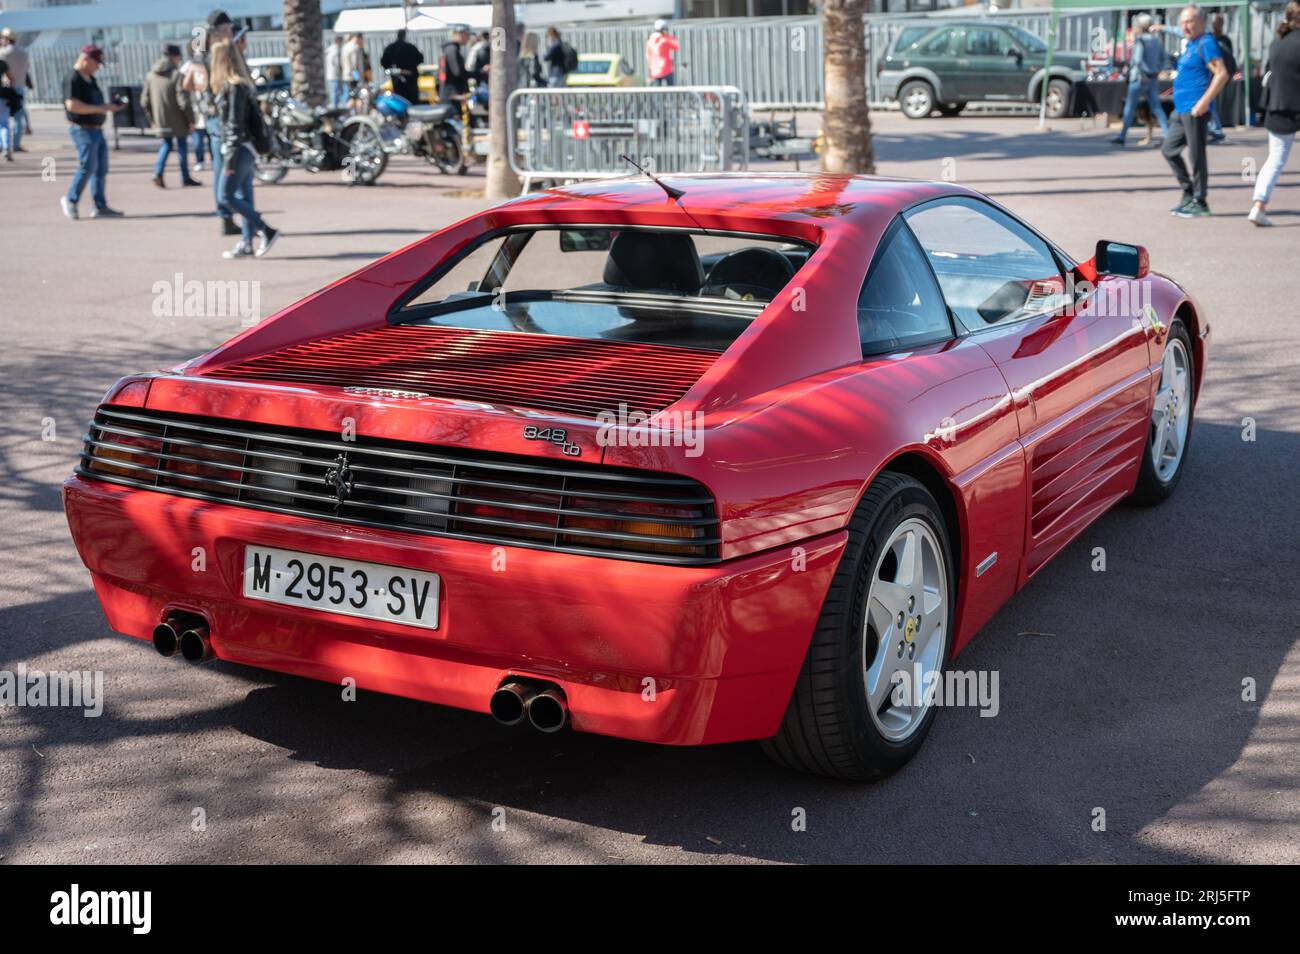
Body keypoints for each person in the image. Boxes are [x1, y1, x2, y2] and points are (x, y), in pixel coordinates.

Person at [211, 38, 278, 259]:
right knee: (243, 196)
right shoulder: (241, 85)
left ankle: (265, 229)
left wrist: (229, 161)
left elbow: (234, 125)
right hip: (245, 148)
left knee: (226, 196)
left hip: (238, 149)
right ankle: (247, 243)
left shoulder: (233, 87)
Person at [1163, 6, 1229, 218]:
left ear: (1201, 21)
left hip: (1195, 110)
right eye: (1183, 22)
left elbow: (1222, 74)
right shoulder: (1191, 44)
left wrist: (1203, 103)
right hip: (1181, 110)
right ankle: (1188, 192)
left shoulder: (1206, 43)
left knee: (1196, 155)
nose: (1185, 26)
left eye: (1190, 21)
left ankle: (1200, 201)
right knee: (1169, 150)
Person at [1249, 0, 1300, 225]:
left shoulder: (1277, 42)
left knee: (1275, 159)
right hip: (1293, 105)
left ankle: (1258, 206)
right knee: (1276, 159)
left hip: (1277, 106)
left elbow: (1270, 74)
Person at [60, 45, 125, 220]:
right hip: (82, 129)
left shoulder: (90, 78)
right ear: (86, 59)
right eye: (96, 63)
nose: (97, 67)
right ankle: (71, 200)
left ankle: (100, 206)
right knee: (87, 166)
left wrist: (110, 106)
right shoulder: (73, 78)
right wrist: (101, 108)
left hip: (96, 129)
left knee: (100, 169)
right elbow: (72, 105)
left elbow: (97, 103)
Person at [194, 11, 238, 236]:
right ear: (215, 33)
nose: (230, 34)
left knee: (224, 169)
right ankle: (228, 216)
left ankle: (227, 215)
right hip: (220, 120)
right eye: (226, 30)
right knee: (227, 169)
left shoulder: (201, 56)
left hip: (216, 119)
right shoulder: (212, 56)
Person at [141, 43, 200, 188]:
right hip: (178, 119)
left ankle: (158, 173)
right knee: (181, 147)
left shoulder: (151, 76)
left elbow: (144, 101)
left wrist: (152, 119)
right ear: (175, 57)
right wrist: (191, 120)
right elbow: (183, 101)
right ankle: (185, 177)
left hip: (160, 119)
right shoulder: (177, 75)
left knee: (166, 145)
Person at [1109, 15, 1169, 145]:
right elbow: (1164, 59)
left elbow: (1137, 59)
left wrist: (1144, 72)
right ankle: (1167, 134)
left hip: (1139, 78)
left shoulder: (1141, 40)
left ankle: (1122, 136)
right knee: (1157, 108)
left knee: (1130, 107)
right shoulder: (1156, 41)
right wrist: (1155, 71)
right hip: (1152, 79)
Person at [0, 27, 32, 153]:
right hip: (20, 87)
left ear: (6, 39)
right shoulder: (24, 53)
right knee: (18, 117)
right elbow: (26, 69)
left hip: (6, 89)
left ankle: (3, 144)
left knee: (3, 119)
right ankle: (16, 144)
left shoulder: (3, 53)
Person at [1208, 13, 1238, 142]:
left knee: (1210, 100)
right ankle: (1214, 128)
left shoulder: (1221, 40)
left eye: (1219, 24)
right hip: (1215, 73)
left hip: (1217, 73)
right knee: (1211, 101)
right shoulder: (1212, 38)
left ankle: (1216, 129)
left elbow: (1229, 58)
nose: (1217, 26)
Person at [380, 28, 423, 104]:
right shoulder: (411, 47)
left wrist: (392, 69)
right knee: (412, 100)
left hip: (397, 79)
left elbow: (384, 62)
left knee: (399, 100)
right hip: (410, 79)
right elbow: (420, 59)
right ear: (404, 36)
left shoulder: (390, 48)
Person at [439, 26, 475, 103]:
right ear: (459, 34)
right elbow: (458, 72)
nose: (468, 38)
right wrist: (478, 73)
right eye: (467, 35)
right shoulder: (452, 49)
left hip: (449, 95)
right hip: (452, 96)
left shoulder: (449, 49)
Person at [645, 19, 680, 87]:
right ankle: (672, 98)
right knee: (672, 91)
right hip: (666, 69)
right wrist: (669, 37)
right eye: (666, 29)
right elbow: (676, 46)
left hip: (655, 71)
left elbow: (648, 56)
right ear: (663, 29)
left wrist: (650, 70)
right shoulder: (665, 40)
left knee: (657, 93)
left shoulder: (650, 40)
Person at [342, 33, 366, 105]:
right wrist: (359, 78)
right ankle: (358, 115)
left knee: (350, 96)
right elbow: (355, 65)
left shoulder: (345, 47)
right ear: (358, 38)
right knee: (356, 98)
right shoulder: (355, 48)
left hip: (346, 76)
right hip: (353, 77)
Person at [325, 35, 345, 109]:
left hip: (331, 75)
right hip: (335, 75)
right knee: (336, 93)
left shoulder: (331, 50)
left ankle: (335, 108)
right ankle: (335, 109)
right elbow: (336, 64)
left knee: (335, 93)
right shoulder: (335, 51)